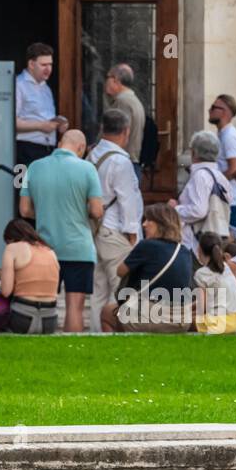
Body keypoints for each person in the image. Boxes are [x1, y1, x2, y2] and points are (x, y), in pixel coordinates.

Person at [19, 129, 103, 333]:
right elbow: (96, 210)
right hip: (79, 248)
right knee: (75, 307)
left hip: (45, 249)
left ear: (59, 143)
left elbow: (25, 210)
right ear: (81, 148)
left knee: (46, 304)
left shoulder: (33, 167)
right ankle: (72, 351)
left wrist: (48, 211)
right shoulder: (87, 169)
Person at [87, 108, 144, 332]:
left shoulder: (92, 154)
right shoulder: (120, 161)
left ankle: (97, 332)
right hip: (115, 230)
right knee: (122, 286)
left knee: (99, 287)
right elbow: (127, 200)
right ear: (126, 131)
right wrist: (132, 234)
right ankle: (121, 331)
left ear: (103, 128)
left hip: (96, 230)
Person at [101, 203, 194, 333]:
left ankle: (121, 350)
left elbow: (120, 271)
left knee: (107, 313)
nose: (144, 224)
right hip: (181, 320)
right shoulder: (184, 251)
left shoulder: (147, 245)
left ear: (162, 224)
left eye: (149, 220)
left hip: (151, 317)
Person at [0, 218, 60, 335]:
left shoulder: (12, 248)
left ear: (11, 239)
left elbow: (6, 291)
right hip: (50, 319)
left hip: (22, 317)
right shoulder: (51, 252)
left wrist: (4, 277)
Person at [172, 130, 231, 253]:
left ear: (194, 152)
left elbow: (199, 210)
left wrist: (175, 209)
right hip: (215, 238)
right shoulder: (221, 177)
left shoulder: (200, 176)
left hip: (195, 243)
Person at [15, 42, 67, 168]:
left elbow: (44, 117)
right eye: (43, 64)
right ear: (31, 64)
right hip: (25, 149)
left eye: (50, 64)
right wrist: (41, 126)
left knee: (44, 187)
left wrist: (59, 123)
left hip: (48, 150)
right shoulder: (18, 85)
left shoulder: (46, 88)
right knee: (22, 185)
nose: (48, 69)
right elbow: (11, 122)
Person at [192, 232, 236, 335]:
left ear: (199, 250)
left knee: (184, 321)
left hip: (220, 323)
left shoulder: (201, 273)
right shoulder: (228, 267)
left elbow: (201, 309)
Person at [208, 93, 236, 225]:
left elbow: (234, 168)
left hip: (232, 200)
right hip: (227, 198)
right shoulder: (222, 134)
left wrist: (212, 182)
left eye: (214, 107)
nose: (209, 110)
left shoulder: (229, 136)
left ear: (226, 112)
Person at [104, 63, 145, 167]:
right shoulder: (132, 100)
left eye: (107, 77)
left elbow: (118, 134)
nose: (105, 82)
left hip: (121, 163)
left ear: (115, 80)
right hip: (127, 161)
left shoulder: (123, 102)